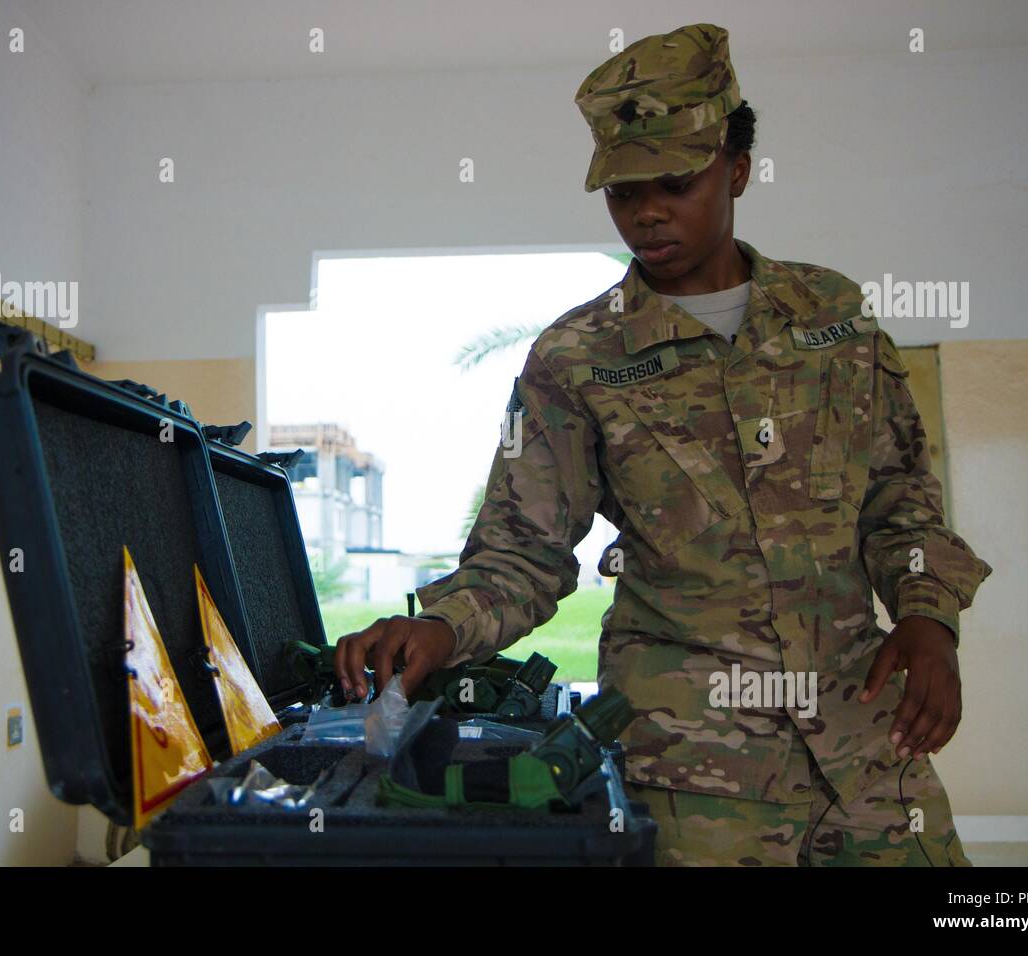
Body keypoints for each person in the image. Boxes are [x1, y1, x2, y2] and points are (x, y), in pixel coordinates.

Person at [334, 23, 991, 866]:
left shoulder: (833, 317)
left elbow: (900, 498)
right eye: (622, 192)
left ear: (739, 171)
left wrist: (929, 619)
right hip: (692, 774)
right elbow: (522, 554)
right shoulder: (576, 359)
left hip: (866, 746)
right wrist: (438, 630)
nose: (646, 212)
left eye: (676, 183)